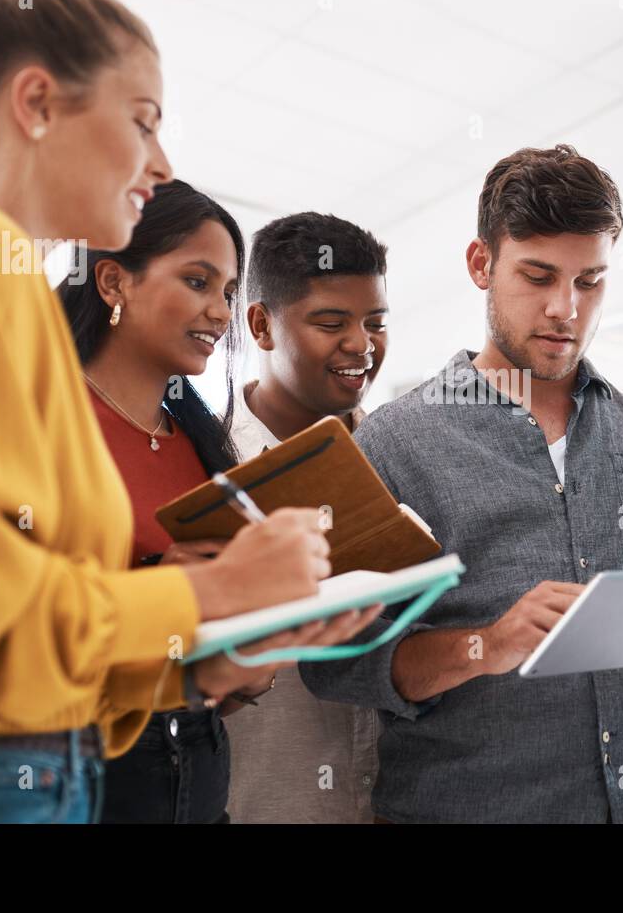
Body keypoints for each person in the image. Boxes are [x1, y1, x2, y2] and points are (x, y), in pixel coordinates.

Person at [0, 0, 358, 823]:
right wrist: (214, 591)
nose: (161, 159)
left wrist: (215, 657)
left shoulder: (6, 298)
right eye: (143, 121)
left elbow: (32, 651)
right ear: (36, 105)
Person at [301, 145, 623, 823]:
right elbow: (341, 662)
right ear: (481, 265)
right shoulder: (391, 444)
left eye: (590, 281)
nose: (565, 308)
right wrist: (485, 645)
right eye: (539, 275)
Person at [57, 182, 378, 823]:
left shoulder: (202, 444)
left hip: (197, 789)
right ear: (114, 282)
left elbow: (208, 678)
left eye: (229, 292)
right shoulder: (42, 424)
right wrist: (167, 594)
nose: (219, 312)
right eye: (198, 282)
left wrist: (259, 652)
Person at [226, 212, 390, 822]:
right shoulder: (207, 466)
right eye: (331, 322)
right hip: (265, 803)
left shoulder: (402, 457)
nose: (362, 344)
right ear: (263, 325)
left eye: (375, 322)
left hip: (396, 801)